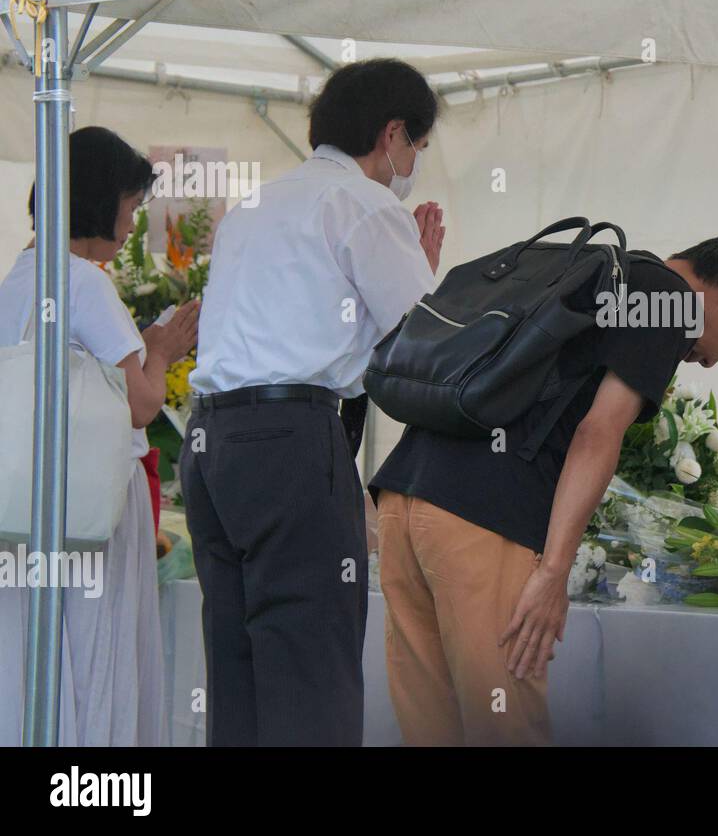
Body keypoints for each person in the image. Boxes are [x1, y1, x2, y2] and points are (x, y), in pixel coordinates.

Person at [370, 234, 718, 745]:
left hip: (402, 498)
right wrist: (554, 573)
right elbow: (598, 432)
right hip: (483, 516)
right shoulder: (667, 302)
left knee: (429, 727)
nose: (708, 362)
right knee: (507, 728)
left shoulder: (593, 272)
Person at [181, 59, 446, 746]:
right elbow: (422, 343)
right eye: (415, 145)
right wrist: (423, 270)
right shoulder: (364, 203)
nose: (412, 161)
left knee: (238, 670)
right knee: (310, 671)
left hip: (210, 445)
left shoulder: (255, 204)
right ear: (392, 134)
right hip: (290, 446)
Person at [0, 126, 200, 745]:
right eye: (133, 207)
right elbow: (140, 404)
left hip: (20, 513)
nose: (133, 224)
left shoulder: (15, 279)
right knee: (95, 654)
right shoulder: (83, 281)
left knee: (33, 659)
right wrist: (163, 348)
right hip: (84, 515)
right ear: (100, 201)